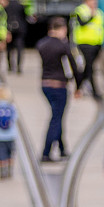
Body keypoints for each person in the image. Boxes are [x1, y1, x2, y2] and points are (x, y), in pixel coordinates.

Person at [37, 17, 75, 161]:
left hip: (45, 84)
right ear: (63, 29)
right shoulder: (63, 46)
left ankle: (62, 149)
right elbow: (74, 66)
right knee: (56, 119)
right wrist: (78, 84)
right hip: (59, 85)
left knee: (57, 116)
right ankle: (46, 152)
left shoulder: (41, 44)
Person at [71, 0, 104, 100]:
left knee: (87, 68)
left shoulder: (99, 12)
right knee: (90, 68)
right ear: (87, 1)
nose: (94, 4)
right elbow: (82, 23)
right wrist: (91, 16)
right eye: (92, 1)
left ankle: (78, 87)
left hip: (96, 44)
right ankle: (95, 92)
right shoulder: (80, 10)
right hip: (84, 43)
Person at [0, 83, 19, 182]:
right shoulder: (12, 107)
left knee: (1, 154)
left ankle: (2, 172)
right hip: (11, 135)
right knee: (11, 154)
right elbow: (15, 118)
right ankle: (10, 170)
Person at [3, 0, 29, 76]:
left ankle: (10, 66)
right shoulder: (21, 5)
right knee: (19, 49)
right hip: (20, 29)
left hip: (9, 28)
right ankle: (18, 67)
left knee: (9, 49)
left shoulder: (6, 6)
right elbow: (25, 16)